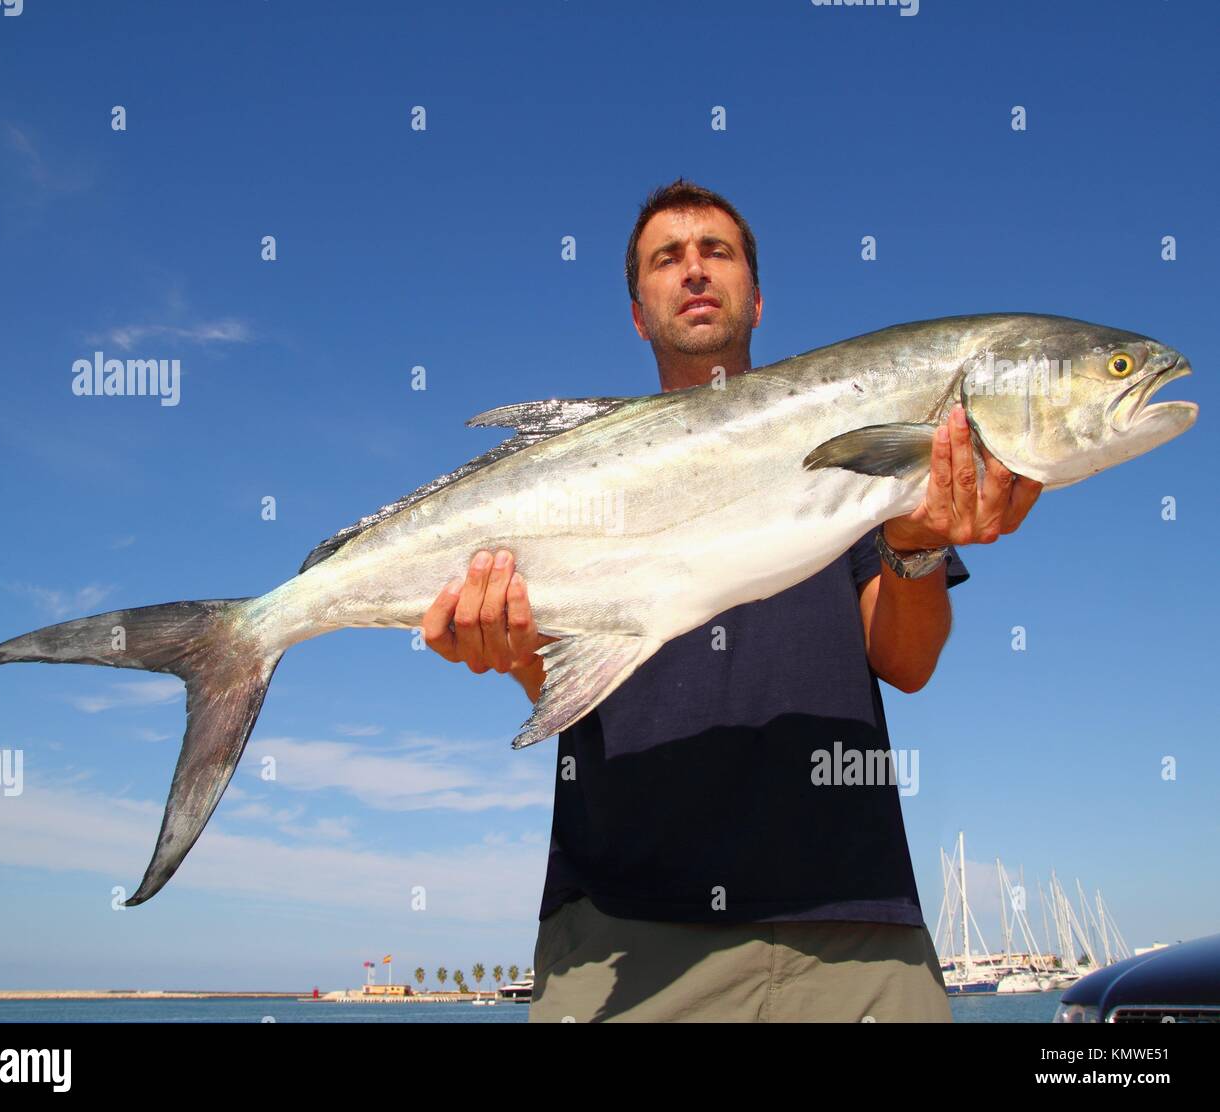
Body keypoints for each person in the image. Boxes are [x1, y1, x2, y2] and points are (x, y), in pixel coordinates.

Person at [421, 179, 1043, 1022]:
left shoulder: (858, 431)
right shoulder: (572, 477)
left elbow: (908, 660)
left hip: (854, 927)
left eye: (717, 251)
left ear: (757, 292)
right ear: (639, 312)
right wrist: (504, 647)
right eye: (666, 259)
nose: (694, 270)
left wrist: (919, 542)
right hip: (626, 935)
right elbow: (559, 687)